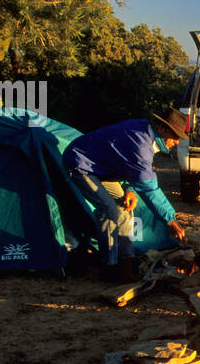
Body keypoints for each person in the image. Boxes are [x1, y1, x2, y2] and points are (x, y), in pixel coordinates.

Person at [63, 108, 189, 281]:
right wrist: (170, 220)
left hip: (103, 169)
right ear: (164, 129)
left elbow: (126, 163)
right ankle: (109, 267)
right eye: (176, 136)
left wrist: (129, 189)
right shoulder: (141, 142)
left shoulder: (145, 133)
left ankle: (125, 263)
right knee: (107, 208)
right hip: (81, 163)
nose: (176, 142)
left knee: (124, 205)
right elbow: (149, 188)